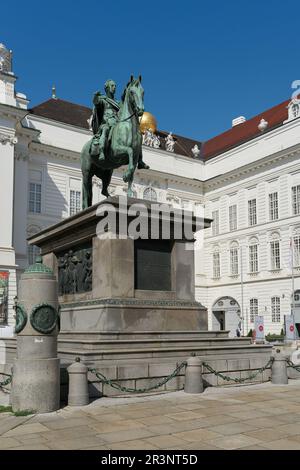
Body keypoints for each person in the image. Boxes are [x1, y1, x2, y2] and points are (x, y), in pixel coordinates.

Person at [90, 79, 120, 161]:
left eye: (115, 86)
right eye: (112, 86)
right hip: (106, 123)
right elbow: (96, 102)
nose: (114, 88)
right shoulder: (103, 99)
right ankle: (101, 152)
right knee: (105, 129)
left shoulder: (118, 102)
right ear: (107, 88)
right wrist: (95, 96)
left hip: (116, 123)